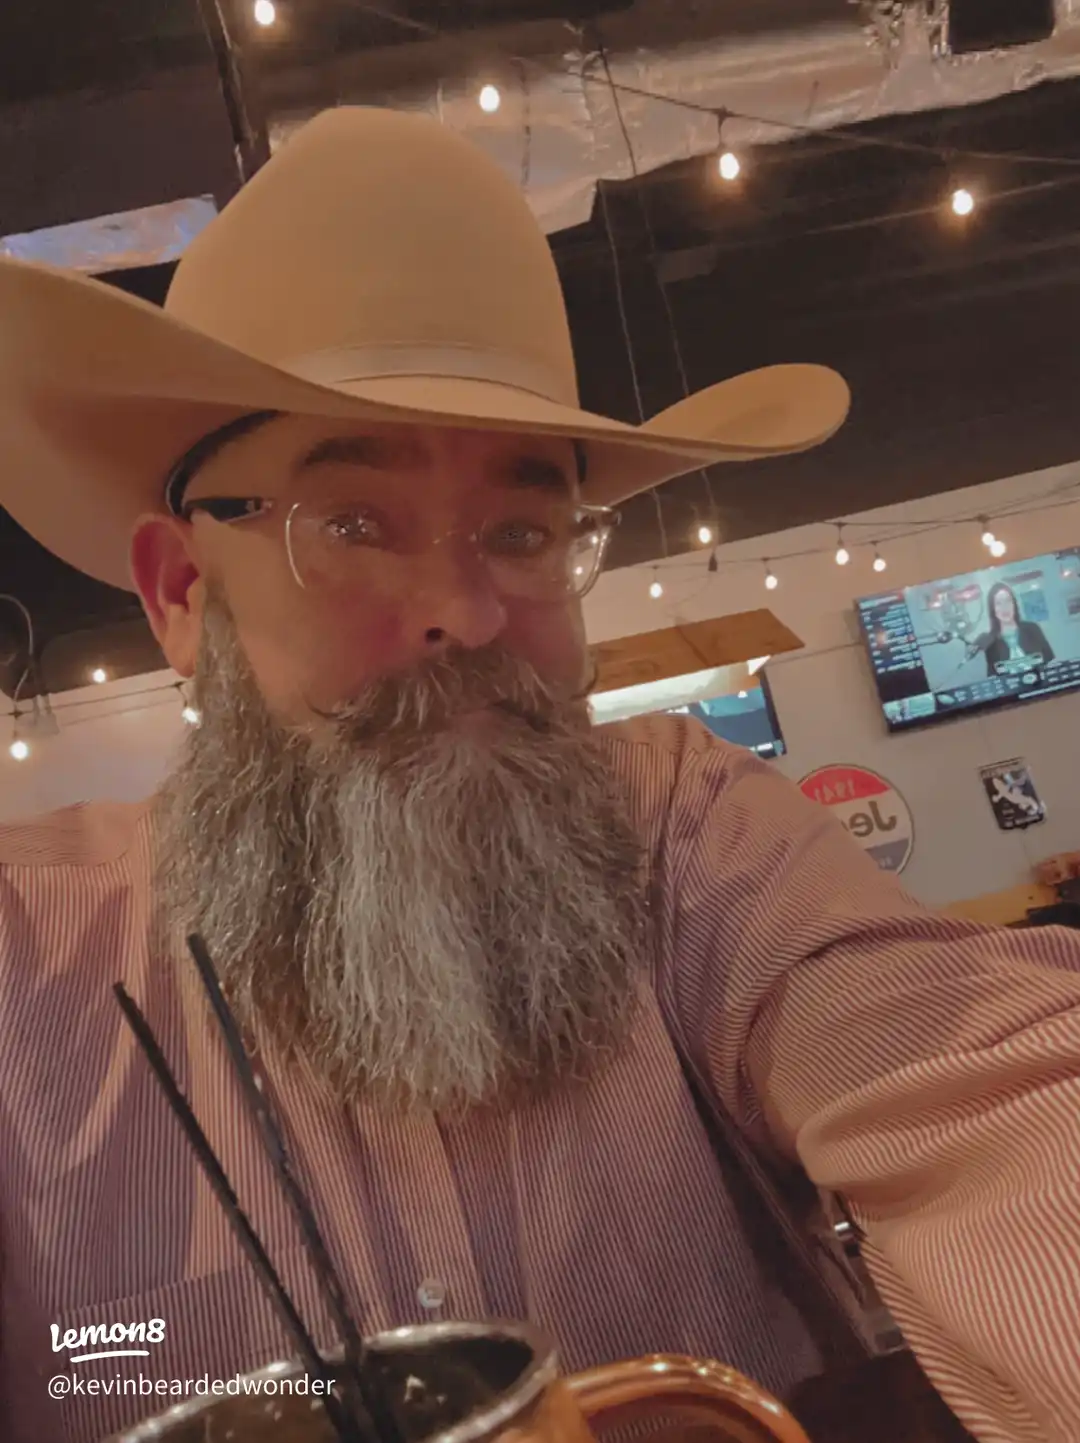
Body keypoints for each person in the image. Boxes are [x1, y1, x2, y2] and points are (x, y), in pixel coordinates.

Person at [0, 107, 1078, 1443]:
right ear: (177, 590)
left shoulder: (681, 832)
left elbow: (989, 1084)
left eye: (521, 527)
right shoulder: (24, 980)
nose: (463, 605)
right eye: (351, 522)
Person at [983, 582, 1054, 677]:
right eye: (999, 603)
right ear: (993, 609)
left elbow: (1050, 663)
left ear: (1014, 604)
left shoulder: (1032, 629)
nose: (1005, 607)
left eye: (1007, 601)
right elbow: (994, 678)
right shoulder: (990, 643)